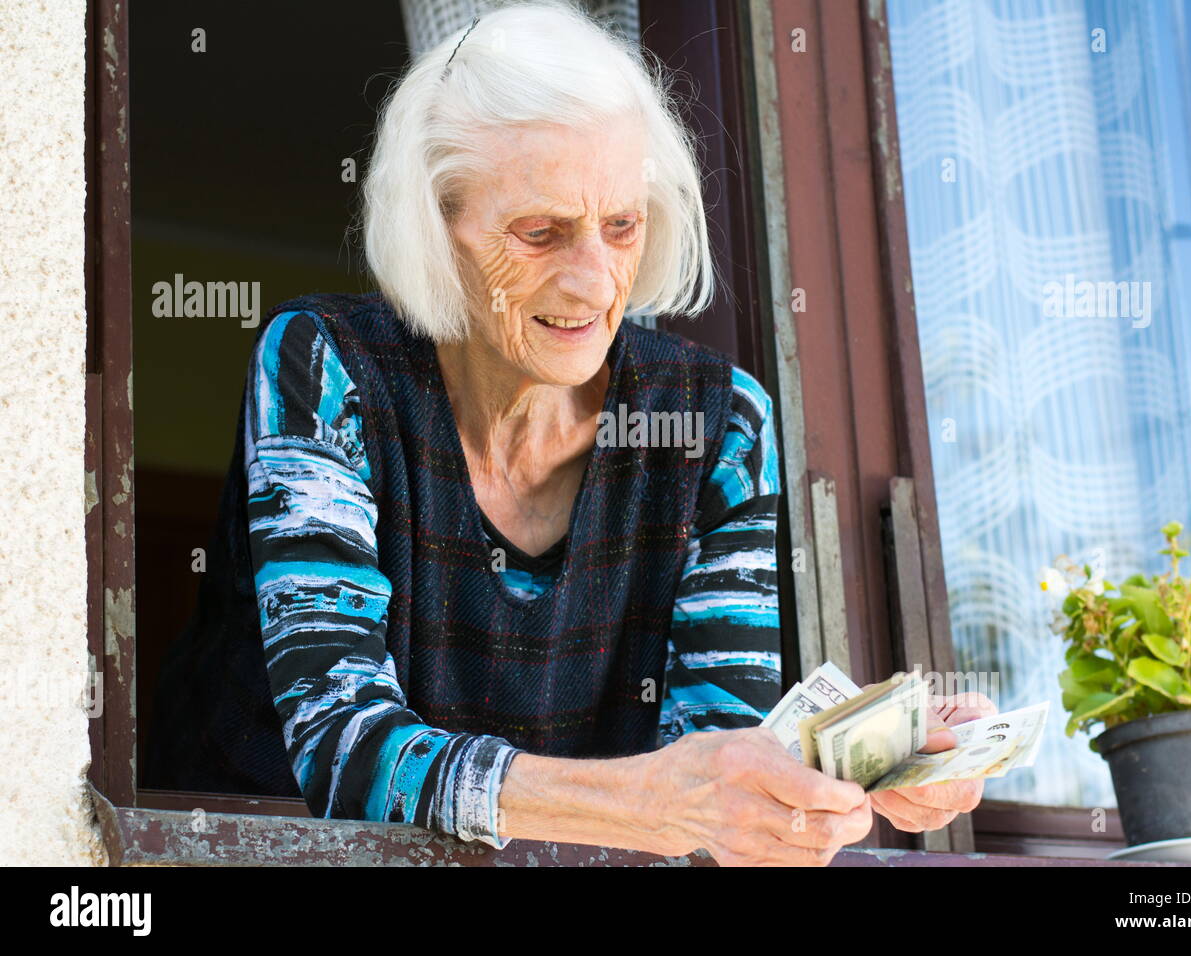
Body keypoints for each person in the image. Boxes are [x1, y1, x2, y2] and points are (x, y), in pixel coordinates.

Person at [145, 0, 993, 866]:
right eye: (541, 232)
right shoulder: (327, 370)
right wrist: (652, 802)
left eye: (621, 227)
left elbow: (711, 747)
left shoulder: (716, 428)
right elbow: (343, 746)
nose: (593, 285)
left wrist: (853, 767)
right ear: (436, 230)